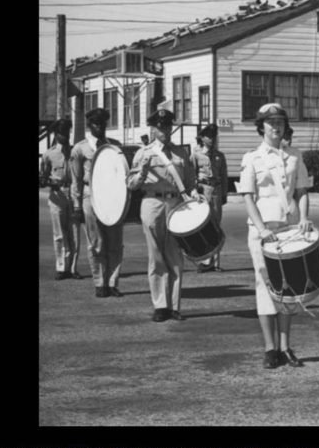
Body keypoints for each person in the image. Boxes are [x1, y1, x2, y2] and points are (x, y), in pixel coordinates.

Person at [238, 103, 314, 369]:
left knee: (288, 287)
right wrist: (261, 228)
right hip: (263, 230)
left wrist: (303, 218)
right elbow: (248, 196)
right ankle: (270, 348)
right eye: (270, 123)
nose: (276, 127)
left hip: (289, 228)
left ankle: (286, 346)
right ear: (261, 127)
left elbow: (302, 191)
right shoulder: (252, 158)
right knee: (265, 286)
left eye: (280, 122)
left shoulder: (294, 156)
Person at [127, 108, 199, 322]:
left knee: (175, 254)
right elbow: (131, 185)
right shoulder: (144, 153)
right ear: (153, 128)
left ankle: (175, 306)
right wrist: (142, 173)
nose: (164, 130)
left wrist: (195, 196)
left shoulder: (181, 153)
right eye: (160, 127)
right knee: (156, 255)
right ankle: (161, 306)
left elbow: (190, 183)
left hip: (176, 203)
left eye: (167, 126)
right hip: (152, 202)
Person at [70, 108, 125, 298]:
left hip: (113, 196)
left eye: (102, 124)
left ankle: (112, 283)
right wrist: (76, 205)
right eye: (95, 124)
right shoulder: (80, 148)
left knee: (115, 242)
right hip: (90, 194)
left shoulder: (115, 146)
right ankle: (100, 283)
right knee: (96, 242)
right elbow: (76, 179)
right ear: (89, 125)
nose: (100, 127)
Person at [40, 118, 84, 281]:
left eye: (67, 132)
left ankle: (73, 268)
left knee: (74, 233)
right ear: (56, 134)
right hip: (57, 195)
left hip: (73, 194)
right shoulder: (49, 154)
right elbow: (43, 176)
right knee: (59, 234)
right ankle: (61, 267)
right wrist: (46, 180)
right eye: (61, 133)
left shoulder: (75, 152)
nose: (65, 136)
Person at [191, 123, 228, 273]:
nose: (212, 139)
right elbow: (191, 175)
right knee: (204, 226)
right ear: (202, 138)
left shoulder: (220, 156)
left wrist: (224, 194)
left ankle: (216, 263)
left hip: (216, 191)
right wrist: (193, 191)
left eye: (214, 136)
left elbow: (224, 177)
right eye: (208, 136)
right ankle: (205, 260)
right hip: (203, 190)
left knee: (216, 225)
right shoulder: (196, 155)